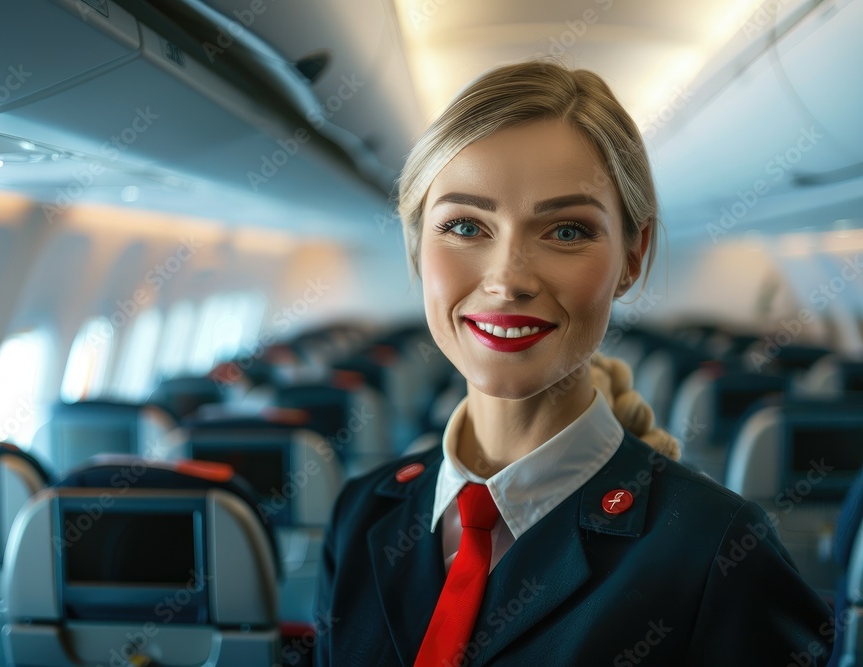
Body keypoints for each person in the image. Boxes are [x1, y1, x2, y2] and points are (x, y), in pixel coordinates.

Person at [314, 60, 833, 666]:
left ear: (633, 258)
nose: (507, 279)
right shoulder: (362, 512)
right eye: (463, 225)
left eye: (565, 231)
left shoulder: (717, 551)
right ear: (415, 247)